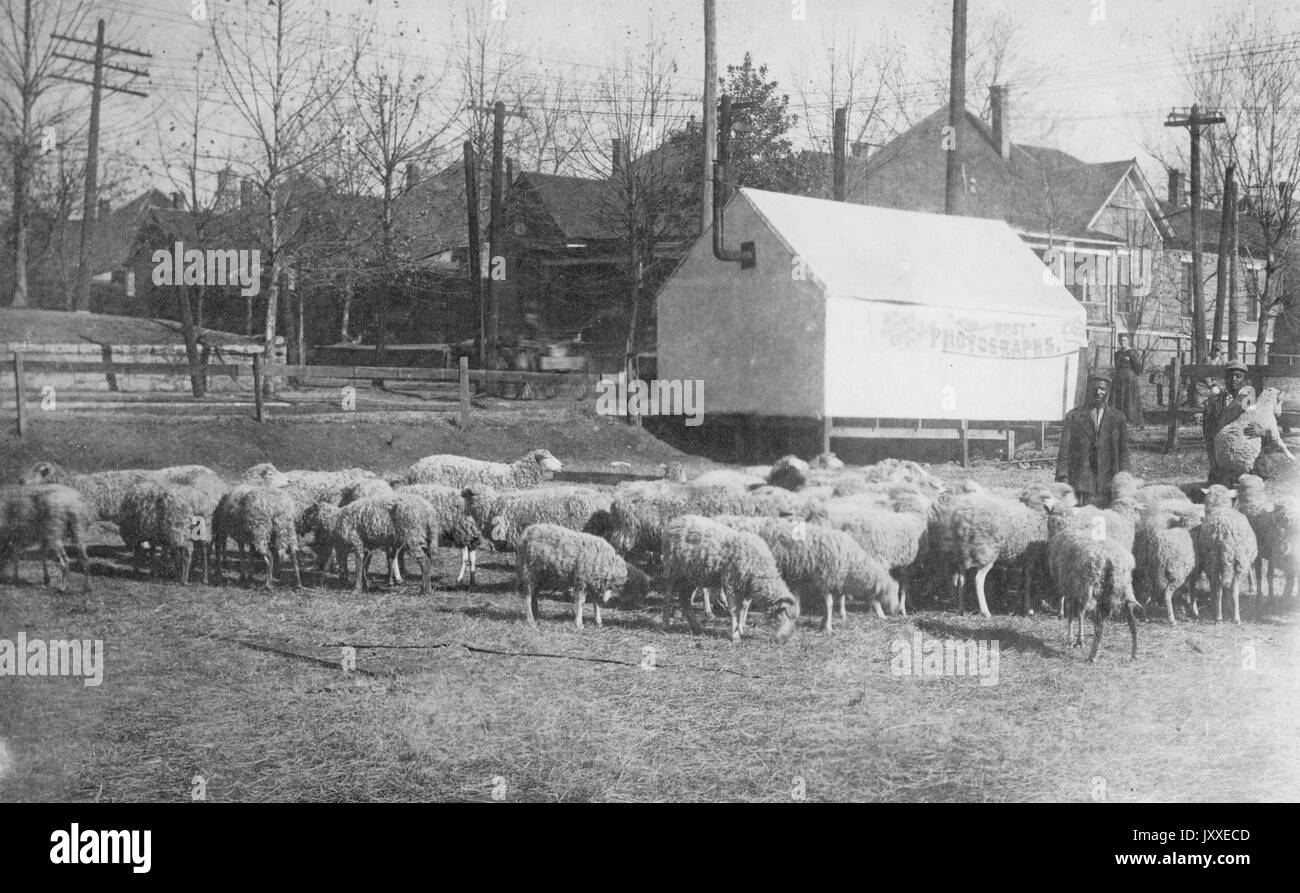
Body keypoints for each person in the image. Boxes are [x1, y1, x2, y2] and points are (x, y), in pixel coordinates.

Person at [1056, 373, 1130, 506]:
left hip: (1108, 482)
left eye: (1102, 388)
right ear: (1088, 390)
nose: (1098, 392)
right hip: (1081, 482)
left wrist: (1125, 481)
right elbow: (1064, 450)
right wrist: (1063, 476)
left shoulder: (1118, 418)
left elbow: (1124, 453)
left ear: (1108, 391)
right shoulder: (1073, 417)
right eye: (1094, 388)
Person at [1202, 361, 1263, 485]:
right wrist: (1214, 462)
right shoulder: (1214, 403)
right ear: (1225, 378)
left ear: (1244, 379)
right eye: (1230, 376)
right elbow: (1208, 435)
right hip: (1223, 460)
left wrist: (1261, 431)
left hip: (1247, 462)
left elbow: (1268, 431)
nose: (1234, 379)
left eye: (1238, 376)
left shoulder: (1250, 401)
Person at [1110, 333, 1144, 426]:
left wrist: (1132, 374)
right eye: (1121, 341)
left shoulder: (1132, 353)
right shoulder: (1117, 353)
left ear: (1128, 341)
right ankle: (1117, 419)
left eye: (1124, 340)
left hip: (1129, 379)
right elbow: (1116, 366)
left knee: (1129, 398)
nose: (1122, 342)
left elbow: (1137, 368)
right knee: (1117, 398)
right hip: (1118, 378)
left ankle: (1130, 419)